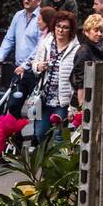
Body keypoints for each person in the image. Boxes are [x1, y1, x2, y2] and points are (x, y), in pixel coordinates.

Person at [31, 11, 79, 142]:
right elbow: (34, 64)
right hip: (44, 97)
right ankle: (45, 161)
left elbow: (77, 79)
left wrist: (72, 107)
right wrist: (38, 66)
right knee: (40, 134)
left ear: (71, 30)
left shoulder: (76, 49)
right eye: (58, 26)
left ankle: (58, 162)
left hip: (62, 100)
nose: (61, 30)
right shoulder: (46, 43)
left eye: (65, 27)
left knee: (59, 136)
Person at [0, 0, 44, 85]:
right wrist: (0, 57)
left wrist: (25, 66)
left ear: (39, 1)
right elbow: (9, 39)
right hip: (18, 69)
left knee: (31, 101)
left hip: (35, 72)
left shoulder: (42, 18)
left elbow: (40, 46)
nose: (26, 0)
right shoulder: (18, 15)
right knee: (12, 100)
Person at [71, 13, 103, 105]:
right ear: (87, 32)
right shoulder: (84, 51)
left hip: (94, 97)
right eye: (96, 30)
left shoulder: (95, 48)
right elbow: (80, 81)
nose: (99, 34)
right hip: (85, 101)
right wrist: (82, 106)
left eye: (101, 31)